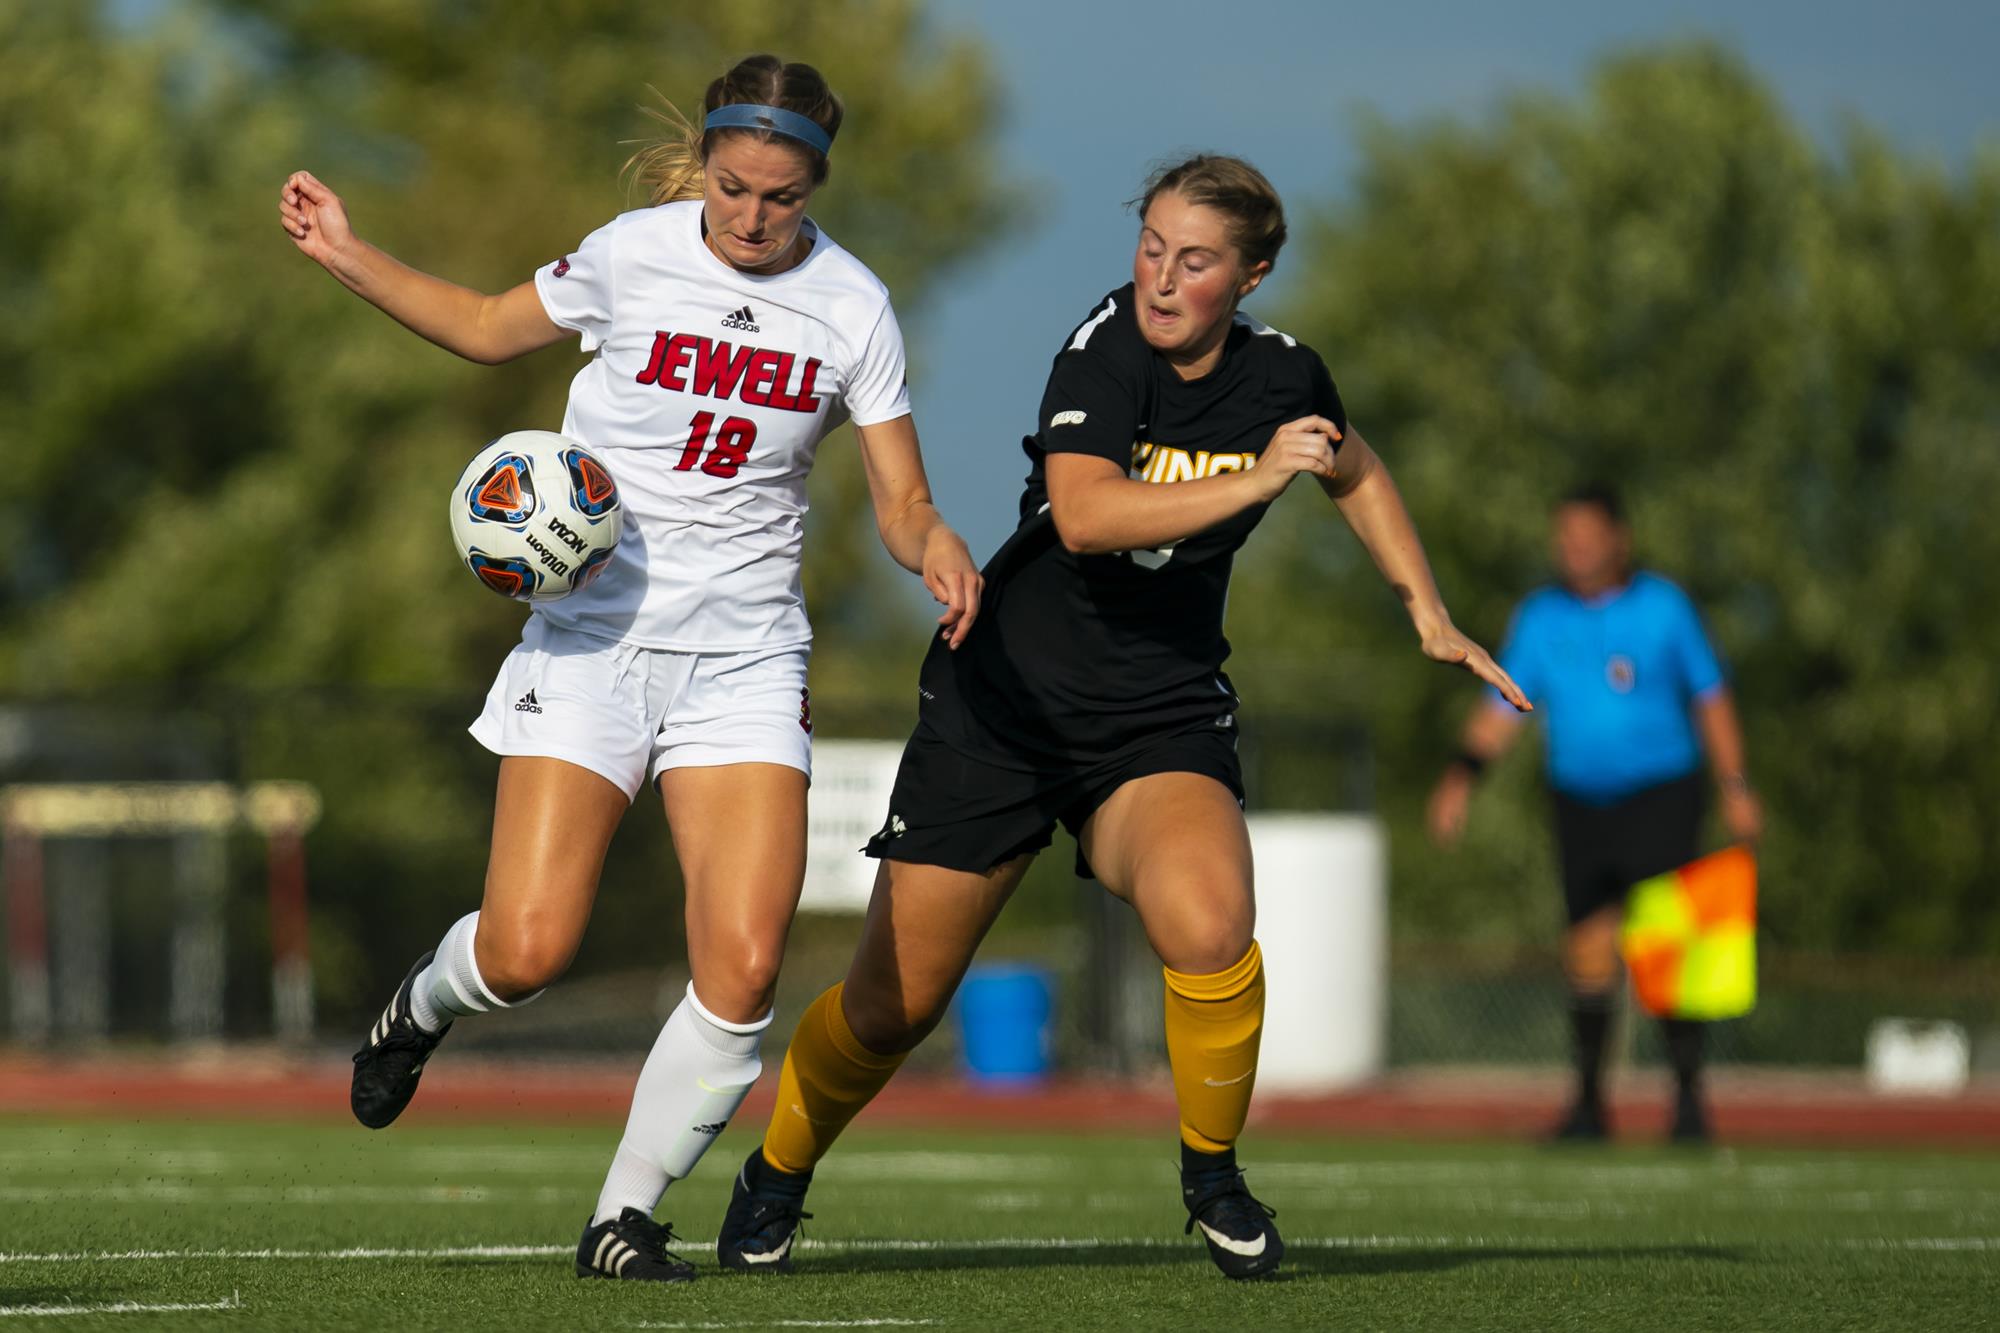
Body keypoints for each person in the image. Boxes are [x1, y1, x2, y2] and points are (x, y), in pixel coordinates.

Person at [711, 154, 1529, 1281]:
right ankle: (777, 1172)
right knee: (889, 1007)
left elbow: (1354, 467)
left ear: (1250, 275)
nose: (1158, 277)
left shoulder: (1284, 374)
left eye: (1192, 260)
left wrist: (1425, 611)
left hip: (1155, 715)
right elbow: (1088, 517)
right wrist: (1250, 482)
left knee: (1208, 923)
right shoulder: (1104, 349)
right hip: (1003, 703)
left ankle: (1211, 1174)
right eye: (1149, 246)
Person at [278, 54, 982, 1284]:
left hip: (747, 659)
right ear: (703, 162)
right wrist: (346, 250)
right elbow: (491, 329)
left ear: (816, 183)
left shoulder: (853, 306)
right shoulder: (632, 251)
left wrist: (937, 549)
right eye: (730, 186)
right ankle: (424, 1005)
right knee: (527, 952)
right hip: (592, 645)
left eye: (779, 195)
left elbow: (902, 500)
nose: (750, 217)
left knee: (746, 966)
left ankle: (626, 1216)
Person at [1425, 482, 1762, 1144]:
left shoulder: (1664, 608)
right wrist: (1462, 776)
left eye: (1585, 534)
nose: (1572, 547)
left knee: (1670, 944)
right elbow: (1504, 704)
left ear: (1618, 538)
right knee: (1585, 944)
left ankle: (1689, 1101)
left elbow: (1712, 697)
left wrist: (1737, 784)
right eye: (1564, 535)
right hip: (1579, 798)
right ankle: (1588, 1104)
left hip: (1663, 789)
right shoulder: (1542, 616)